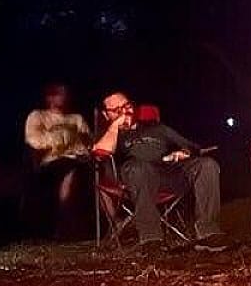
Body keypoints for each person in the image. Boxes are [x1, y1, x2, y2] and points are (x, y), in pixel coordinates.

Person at [93, 91, 232, 252]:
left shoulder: (156, 128)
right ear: (105, 114)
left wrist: (182, 153)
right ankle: (151, 239)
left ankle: (209, 233)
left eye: (127, 106)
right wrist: (116, 125)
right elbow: (100, 154)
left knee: (207, 165)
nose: (124, 112)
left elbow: (194, 148)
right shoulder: (109, 134)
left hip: (167, 175)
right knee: (139, 168)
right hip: (133, 180)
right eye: (117, 110)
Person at [24, 83, 91, 239]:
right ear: (50, 98)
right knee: (70, 169)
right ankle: (64, 226)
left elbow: (88, 140)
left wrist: (80, 145)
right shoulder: (38, 116)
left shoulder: (76, 118)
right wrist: (60, 138)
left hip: (78, 159)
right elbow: (33, 140)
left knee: (79, 168)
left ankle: (77, 226)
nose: (65, 97)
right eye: (61, 94)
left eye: (66, 94)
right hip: (52, 161)